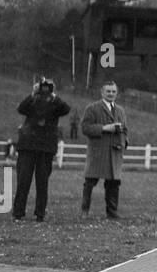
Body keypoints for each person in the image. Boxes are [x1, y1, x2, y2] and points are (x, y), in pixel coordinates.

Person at [12, 77, 70, 222]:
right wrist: (33, 94)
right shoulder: (32, 101)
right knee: (23, 180)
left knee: (42, 182)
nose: (44, 90)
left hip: (45, 147)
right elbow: (21, 108)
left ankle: (40, 213)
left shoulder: (55, 104)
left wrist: (54, 96)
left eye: (47, 87)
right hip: (28, 145)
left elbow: (66, 109)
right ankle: (18, 212)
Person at [81, 81, 128, 219]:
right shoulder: (92, 108)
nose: (111, 94)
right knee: (90, 183)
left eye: (113, 91)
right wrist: (104, 128)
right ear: (102, 92)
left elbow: (125, 129)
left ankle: (112, 212)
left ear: (117, 93)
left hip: (115, 153)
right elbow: (85, 128)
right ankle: (85, 210)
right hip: (98, 152)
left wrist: (124, 141)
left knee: (113, 184)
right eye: (108, 91)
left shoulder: (120, 110)